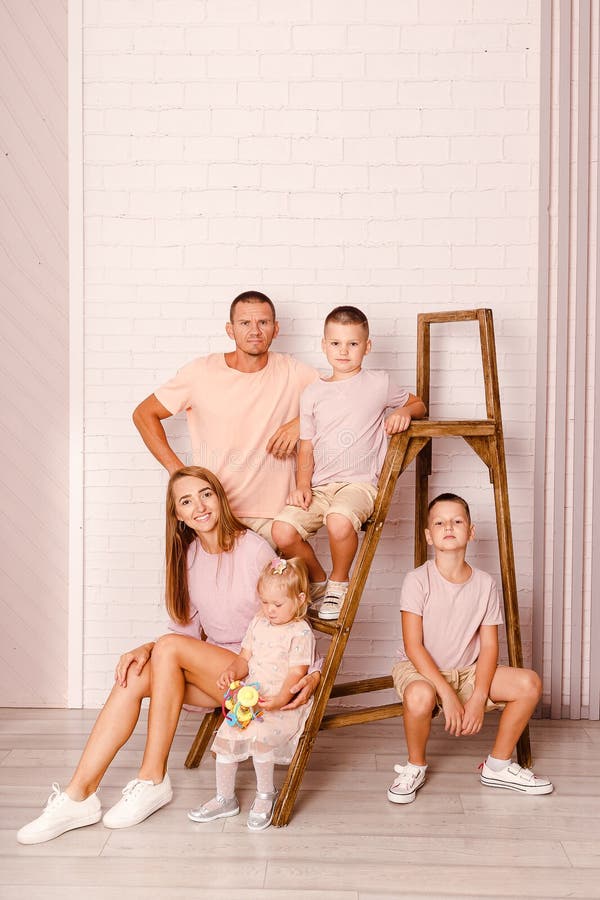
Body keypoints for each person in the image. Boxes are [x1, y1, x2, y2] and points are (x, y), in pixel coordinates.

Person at [17, 467, 319, 845]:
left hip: (260, 674)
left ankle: (151, 778)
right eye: (186, 501)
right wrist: (145, 650)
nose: (200, 506)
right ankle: (78, 795)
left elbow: (292, 614)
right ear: (178, 515)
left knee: (165, 649)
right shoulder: (189, 556)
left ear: (220, 498)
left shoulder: (254, 548)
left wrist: (313, 675)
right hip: (223, 677)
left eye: (206, 494)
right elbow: (183, 638)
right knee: (135, 675)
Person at [387, 492, 553, 805]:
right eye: (439, 522)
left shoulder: (485, 584)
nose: (448, 526)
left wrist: (478, 697)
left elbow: (490, 646)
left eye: (457, 521)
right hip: (420, 669)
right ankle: (415, 765)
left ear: (471, 531)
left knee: (528, 682)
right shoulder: (417, 580)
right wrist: (447, 695)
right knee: (420, 695)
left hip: (467, 670)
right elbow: (413, 646)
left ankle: (498, 765)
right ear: (429, 535)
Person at [272, 305, 426, 619]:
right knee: (282, 530)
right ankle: (318, 580)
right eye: (336, 343)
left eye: (353, 344)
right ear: (324, 345)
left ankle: (339, 584)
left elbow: (418, 403)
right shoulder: (312, 393)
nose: (344, 351)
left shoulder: (378, 383)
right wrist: (303, 486)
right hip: (320, 487)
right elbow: (306, 446)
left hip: (359, 485)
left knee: (339, 520)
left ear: (367, 347)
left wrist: (403, 412)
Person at [132, 291, 318, 545]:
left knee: (285, 585)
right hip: (217, 515)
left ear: (275, 329)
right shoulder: (200, 372)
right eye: (245, 323)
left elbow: (344, 399)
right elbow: (144, 414)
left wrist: (300, 424)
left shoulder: (294, 372)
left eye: (263, 323)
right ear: (230, 330)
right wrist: (178, 472)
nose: (255, 330)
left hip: (276, 518)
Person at [189, 556, 315, 832]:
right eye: (264, 602)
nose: (269, 610)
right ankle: (225, 798)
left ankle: (265, 794)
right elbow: (244, 657)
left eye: (277, 604)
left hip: (281, 703)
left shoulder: (300, 632)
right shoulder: (259, 623)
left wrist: (281, 699)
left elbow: (296, 672)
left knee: (261, 741)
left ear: (300, 599)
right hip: (252, 698)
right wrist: (232, 671)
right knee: (226, 737)